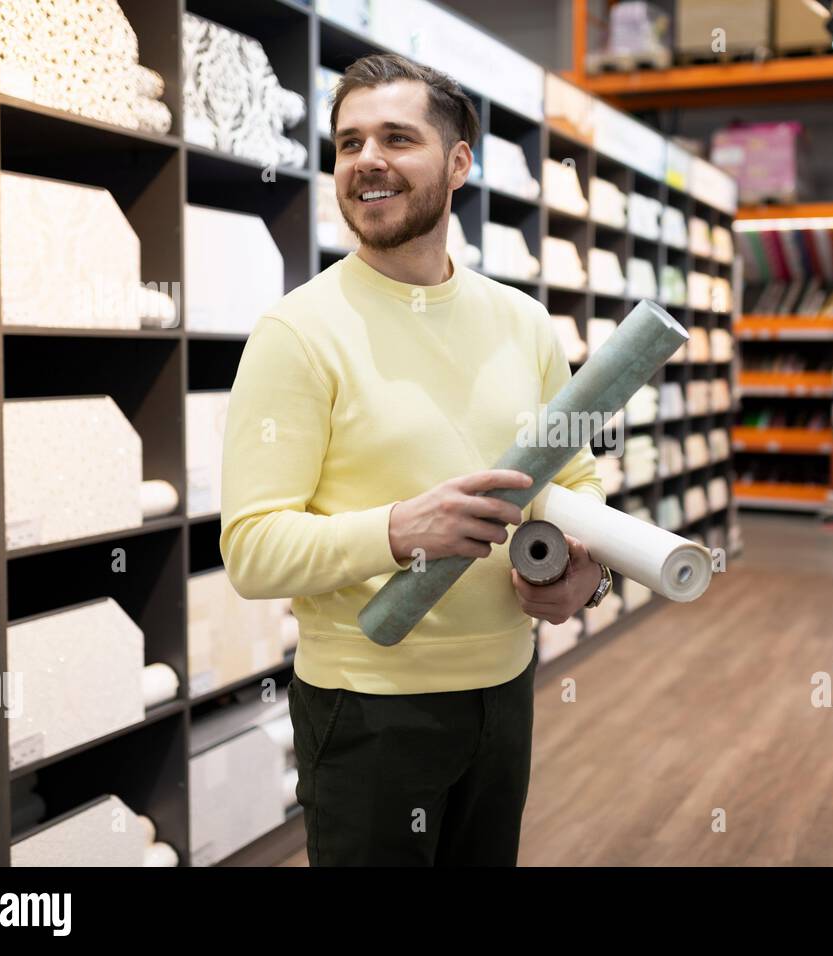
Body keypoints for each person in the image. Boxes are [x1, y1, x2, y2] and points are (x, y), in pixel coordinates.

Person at [218, 53, 612, 866]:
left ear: (459, 162)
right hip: (367, 709)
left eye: (397, 137)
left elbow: (574, 482)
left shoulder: (525, 323)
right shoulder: (297, 334)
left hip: (505, 692)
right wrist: (399, 531)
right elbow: (252, 552)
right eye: (349, 142)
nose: (367, 160)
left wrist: (587, 569)